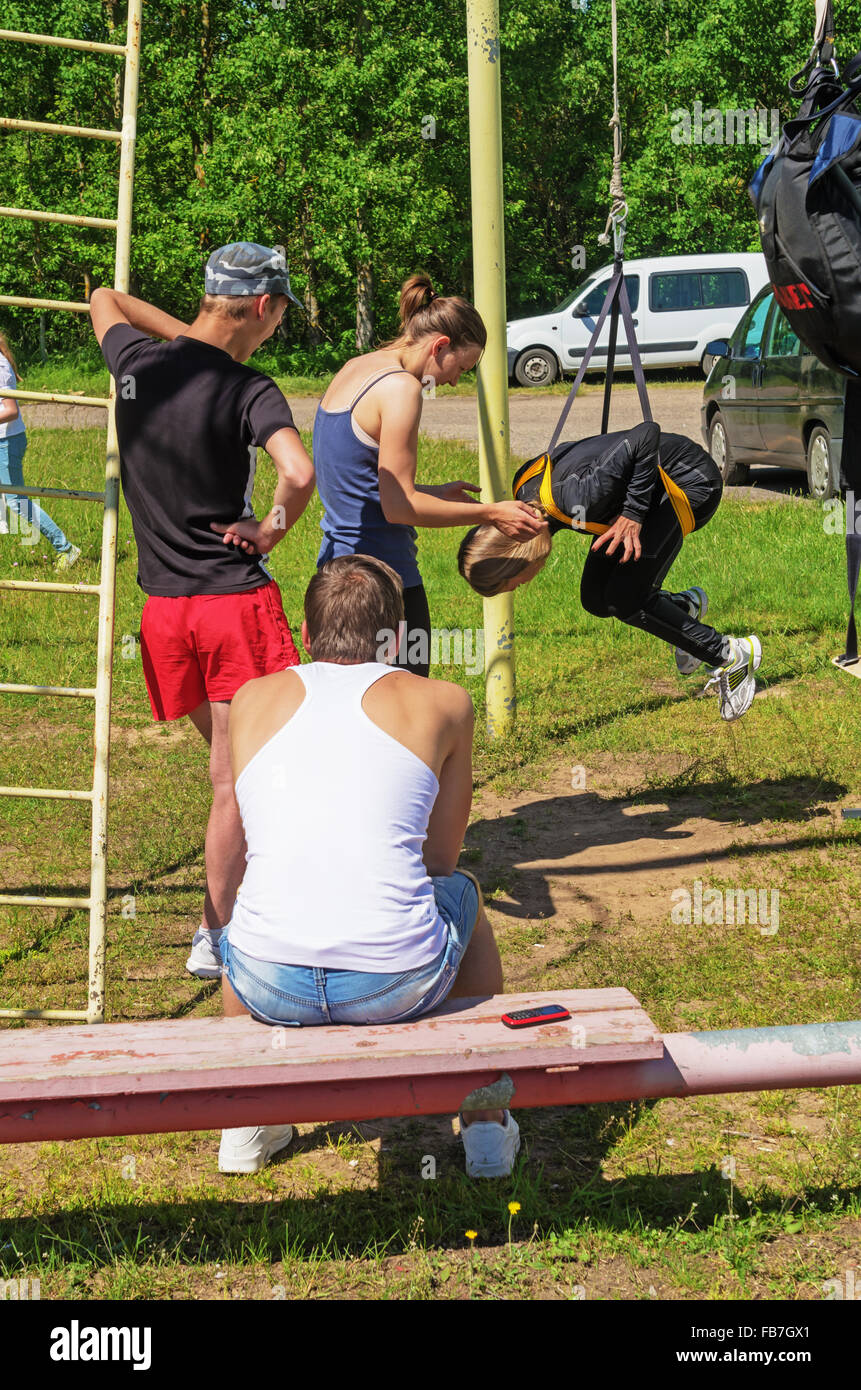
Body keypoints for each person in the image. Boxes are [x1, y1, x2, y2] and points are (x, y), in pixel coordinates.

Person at [218, 554, 521, 1179]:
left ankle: (245, 1123)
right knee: (463, 891)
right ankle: (485, 1126)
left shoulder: (250, 699)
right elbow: (440, 861)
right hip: (394, 979)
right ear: (398, 635)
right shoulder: (444, 702)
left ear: (305, 631)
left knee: (252, 906)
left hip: (264, 981)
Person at [88, 242, 315, 980]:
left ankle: (247, 896)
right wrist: (273, 526)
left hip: (164, 616)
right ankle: (218, 931)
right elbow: (298, 471)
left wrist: (182, 339)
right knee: (238, 779)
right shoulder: (251, 389)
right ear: (261, 306)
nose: (278, 326)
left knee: (241, 772)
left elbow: (105, 299)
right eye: (280, 312)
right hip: (230, 606)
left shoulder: (135, 368)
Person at [312, 273, 547, 676]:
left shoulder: (356, 368)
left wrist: (434, 491)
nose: (455, 380)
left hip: (332, 575)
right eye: (462, 367)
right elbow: (400, 507)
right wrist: (491, 514)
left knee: (342, 703)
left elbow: (358, 483)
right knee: (406, 710)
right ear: (440, 346)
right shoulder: (402, 389)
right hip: (383, 582)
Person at [458, 421, 763, 721]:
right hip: (653, 491)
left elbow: (647, 433)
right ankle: (682, 610)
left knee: (624, 598)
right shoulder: (527, 496)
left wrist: (633, 513)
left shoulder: (581, 498)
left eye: (509, 585)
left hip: (691, 482)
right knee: (595, 598)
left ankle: (730, 655)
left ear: (516, 559)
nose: (516, 589)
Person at [0, 331, 81, 567]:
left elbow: (11, 410)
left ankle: (66, 548)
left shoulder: (0, 366)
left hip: (6, 442)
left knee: (17, 502)